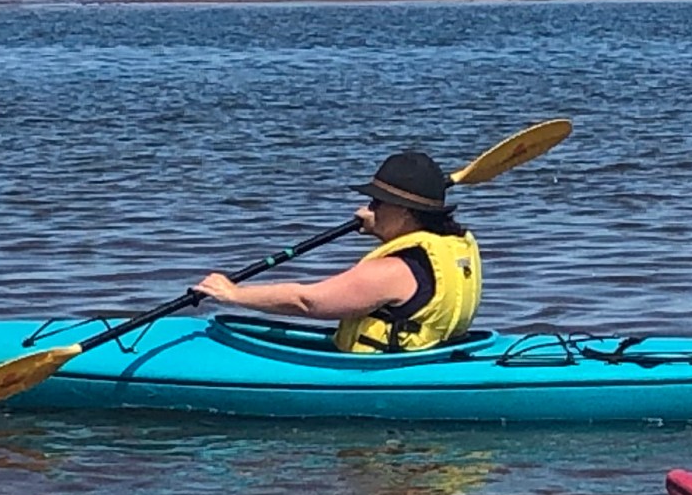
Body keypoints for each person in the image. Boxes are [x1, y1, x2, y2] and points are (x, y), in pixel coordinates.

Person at [195, 149, 483, 352]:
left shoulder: (393, 270)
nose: (370, 209)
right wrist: (380, 226)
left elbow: (306, 302)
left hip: (387, 369)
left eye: (377, 204)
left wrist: (231, 293)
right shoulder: (450, 245)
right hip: (434, 353)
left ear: (406, 213)